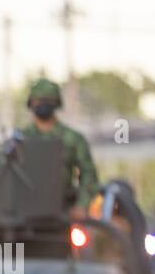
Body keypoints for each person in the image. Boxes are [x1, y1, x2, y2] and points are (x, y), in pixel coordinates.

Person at [18, 77, 99, 218]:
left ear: (56, 103)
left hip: (63, 214)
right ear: (31, 103)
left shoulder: (72, 138)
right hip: (24, 215)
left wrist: (81, 205)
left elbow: (88, 174)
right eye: (39, 100)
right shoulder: (20, 139)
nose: (43, 104)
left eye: (48, 101)